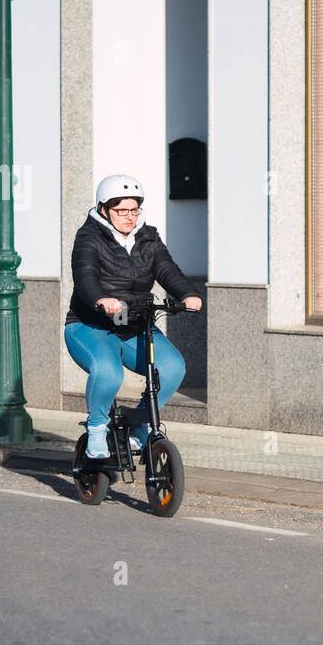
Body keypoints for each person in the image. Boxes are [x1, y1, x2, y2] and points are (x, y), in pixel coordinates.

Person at [64, 174, 202, 459]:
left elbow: (167, 270)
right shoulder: (88, 237)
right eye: (122, 210)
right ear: (104, 209)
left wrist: (188, 293)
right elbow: (85, 276)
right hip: (91, 326)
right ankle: (97, 428)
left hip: (134, 325)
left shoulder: (148, 237)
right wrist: (101, 299)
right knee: (108, 372)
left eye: (134, 209)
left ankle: (139, 426)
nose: (129, 216)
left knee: (173, 368)